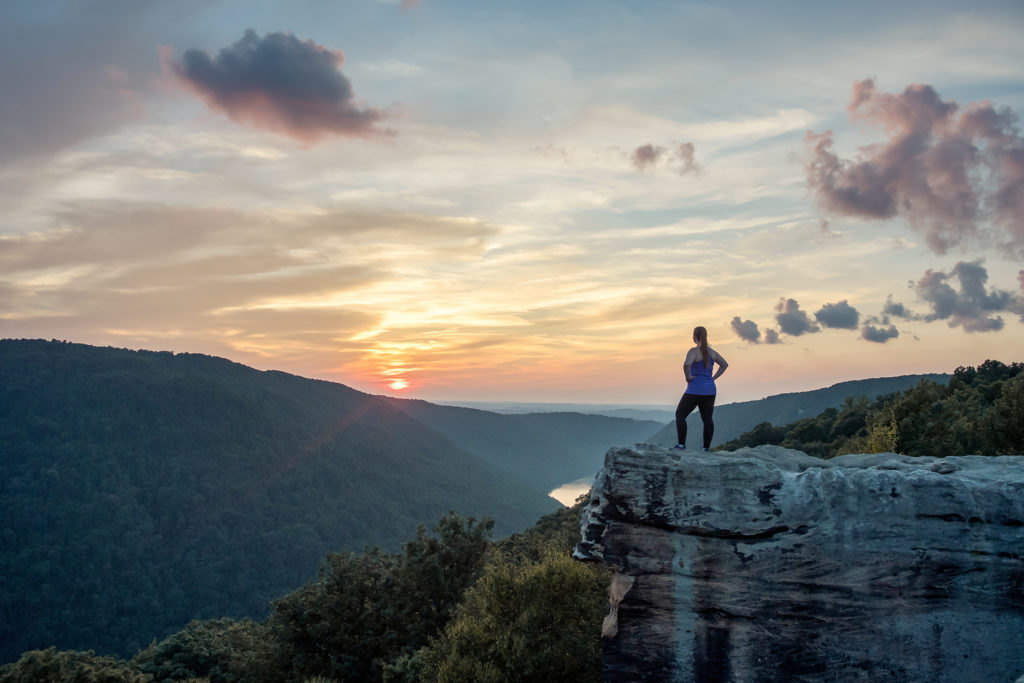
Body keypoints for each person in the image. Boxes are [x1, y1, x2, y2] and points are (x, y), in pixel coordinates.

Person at [671, 326, 728, 452]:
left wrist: (687, 377)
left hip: (694, 389)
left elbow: (686, 364)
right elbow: (724, 364)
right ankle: (706, 448)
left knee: (680, 415)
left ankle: (681, 446)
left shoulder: (693, 351)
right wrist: (713, 378)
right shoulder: (712, 352)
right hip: (710, 390)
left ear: (694, 337)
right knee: (707, 419)